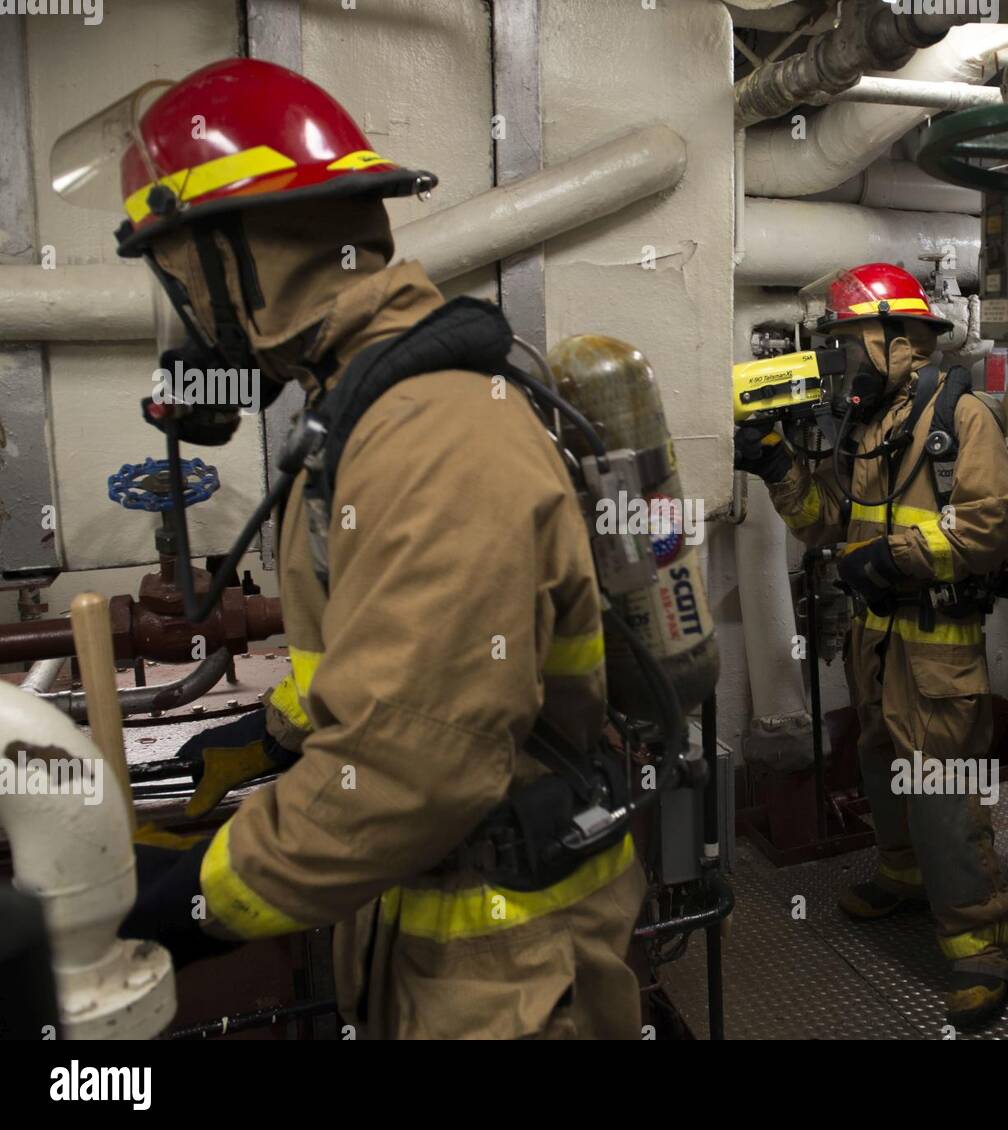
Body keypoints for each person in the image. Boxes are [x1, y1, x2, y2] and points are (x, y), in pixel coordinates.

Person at [56, 58, 645, 1039]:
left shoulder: (431, 432)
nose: (186, 322)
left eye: (180, 281)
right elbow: (380, 655)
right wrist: (265, 734)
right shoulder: (358, 414)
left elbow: (409, 767)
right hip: (439, 931)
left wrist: (191, 904)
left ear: (234, 257)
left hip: (511, 967)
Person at [736, 263, 1008, 1028]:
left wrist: (895, 557)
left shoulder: (964, 417)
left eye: (854, 343)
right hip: (875, 638)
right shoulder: (867, 426)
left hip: (938, 643)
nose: (845, 362)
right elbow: (825, 519)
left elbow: (990, 528)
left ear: (904, 340)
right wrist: (775, 464)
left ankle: (980, 941)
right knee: (878, 765)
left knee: (942, 794)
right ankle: (902, 877)